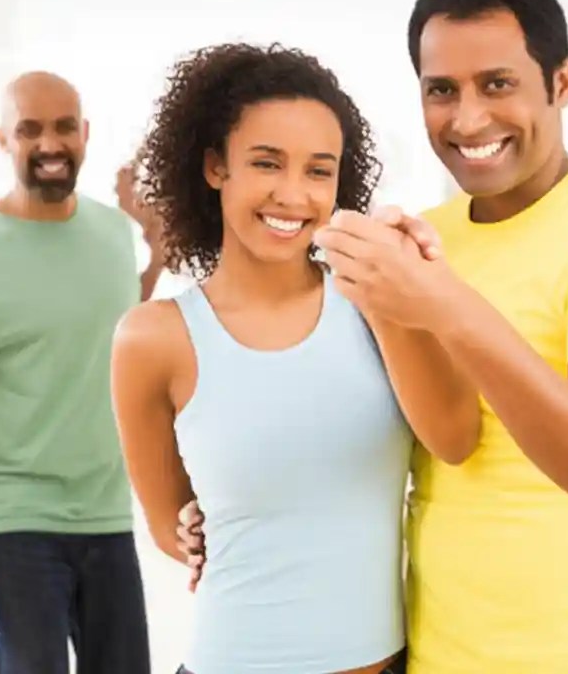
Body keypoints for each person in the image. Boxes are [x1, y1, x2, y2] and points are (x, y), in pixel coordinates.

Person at [180, 0, 568, 673]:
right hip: (437, 655)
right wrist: (234, 504)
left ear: (562, 82)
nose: (468, 118)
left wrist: (445, 305)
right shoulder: (421, 241)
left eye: (498, 84)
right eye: (441, 90)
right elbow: (399, 430)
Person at [111, 42, 475, 674]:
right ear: (215, 166)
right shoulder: (153, 338)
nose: (293, 194)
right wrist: (190, 530)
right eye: (266, 163)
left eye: (318, 171)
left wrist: (388, 290)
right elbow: (171, 528)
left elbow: (454, 435)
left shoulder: (373, 304)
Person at [0, 71, 162, 674]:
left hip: (105, 513)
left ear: (85, 134)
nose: (50, 144)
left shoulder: (111, 233)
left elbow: (117, 320)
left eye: (64, 127)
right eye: (29, 130)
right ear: (3, 140)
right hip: (10, 521)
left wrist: (157, 249)